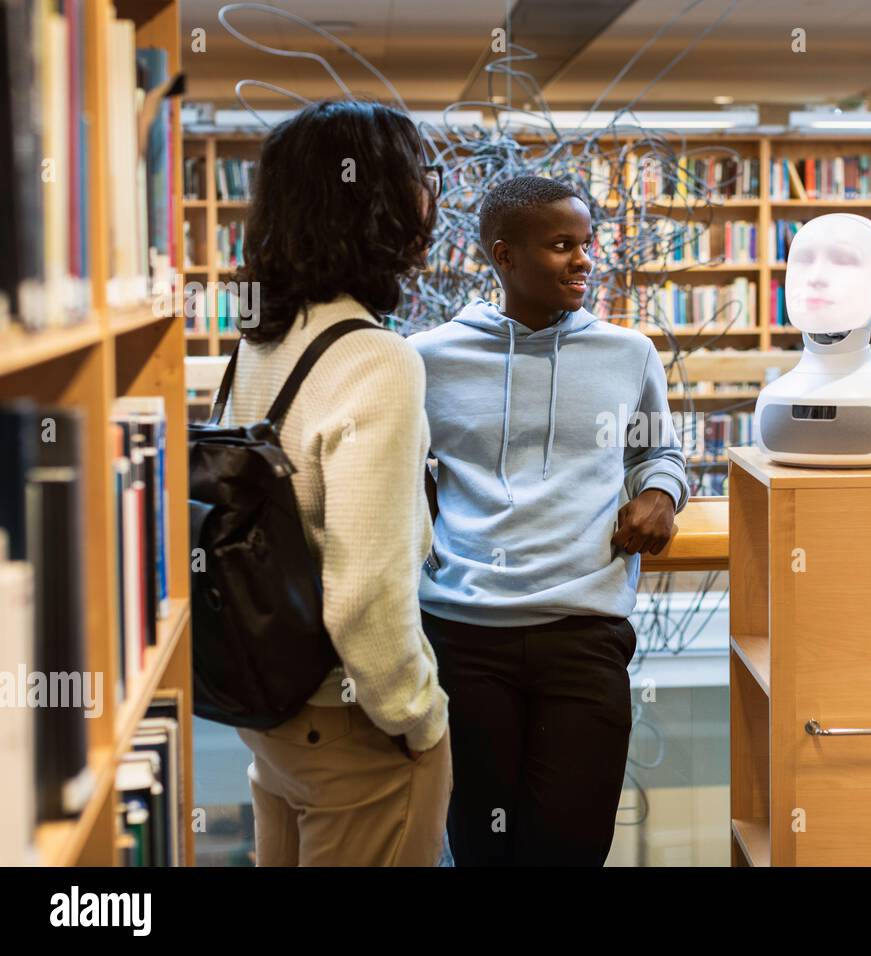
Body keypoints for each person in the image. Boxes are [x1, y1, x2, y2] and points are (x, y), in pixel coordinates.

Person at [408, 176, 689, 866]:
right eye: (562, 245)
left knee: (571, 849)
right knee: (482, 850)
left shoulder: (629, 354)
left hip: (584, 632)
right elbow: (400, 472)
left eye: (587, 244)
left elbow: (663, 451)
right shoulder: (427, 358)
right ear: (504, 257)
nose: (584, 260)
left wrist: (660, 492)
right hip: (464, 633)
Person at [225, 100, 451, 866]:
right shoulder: (375, 360)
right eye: (424, 177)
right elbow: (363, 594)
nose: (430, 196)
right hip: (352, 725)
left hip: (273, 715)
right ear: (378, 202)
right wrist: (418, 717)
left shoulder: (259, 344)